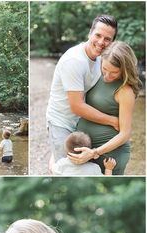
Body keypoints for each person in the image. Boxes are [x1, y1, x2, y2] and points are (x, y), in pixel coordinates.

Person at [46, 14, 118, 162]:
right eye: (98, 35)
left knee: (81, 165)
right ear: (90, 33)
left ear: (112, 42)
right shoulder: (75, 61)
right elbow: (77, 106)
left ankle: (54, 155)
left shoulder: (101, 59)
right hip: (61, 122)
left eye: (107, 39)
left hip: (81, 123)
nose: (101, 42)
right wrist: (112, 121)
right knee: (65, 168)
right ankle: (55, 156)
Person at [69, 41, 142, 175]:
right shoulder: (95, 74)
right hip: (85, 149)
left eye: (114, 72)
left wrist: (95, 152)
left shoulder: (125, 91)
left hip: (109, 156)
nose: (107, 76)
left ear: (125, 69)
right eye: (105, 69)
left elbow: (125, 134)